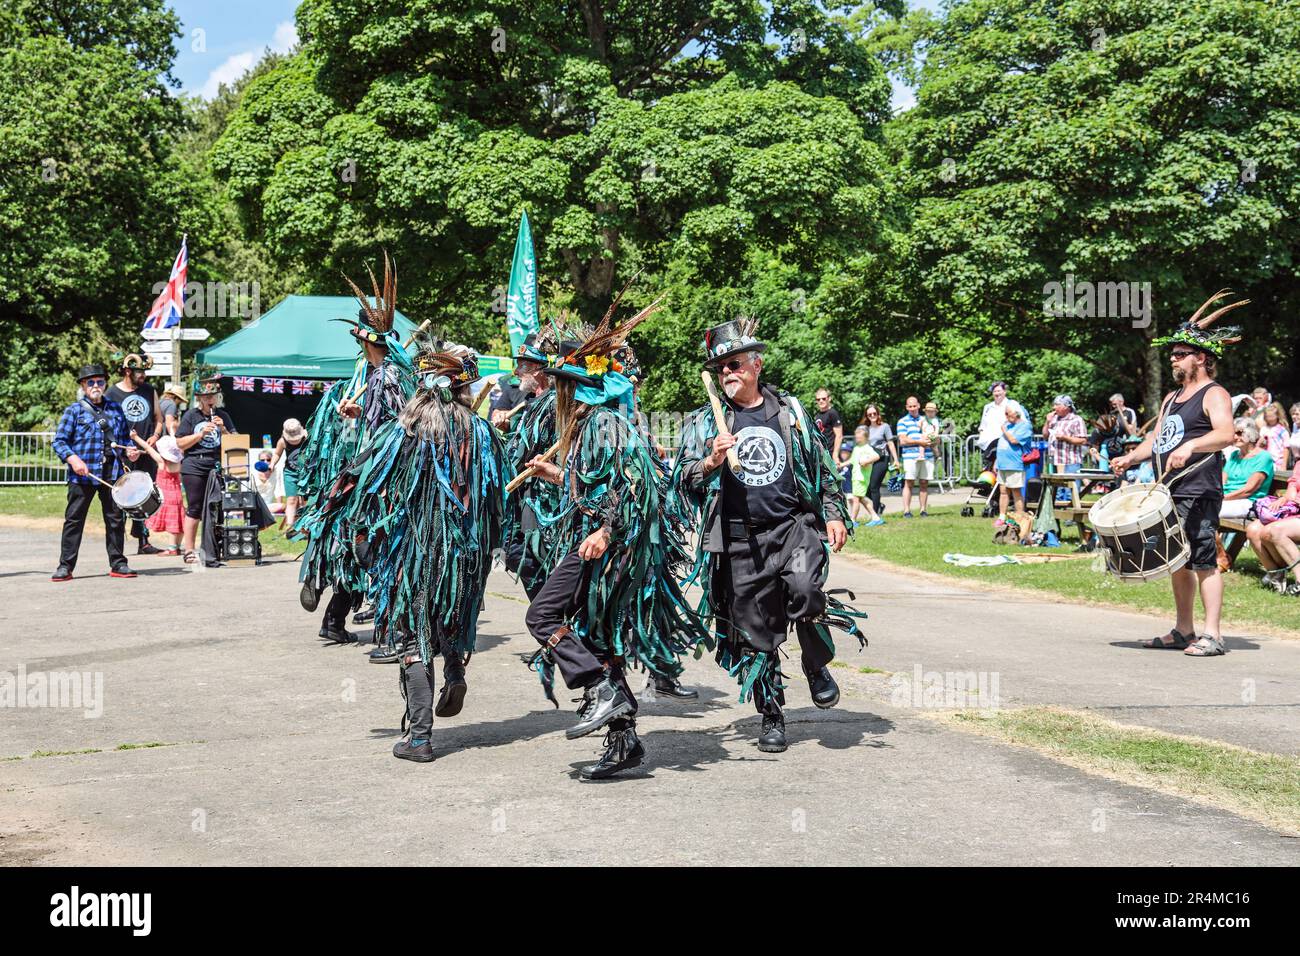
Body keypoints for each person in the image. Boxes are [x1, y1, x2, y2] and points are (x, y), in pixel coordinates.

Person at [521, 296, 711, 779]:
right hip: (603, 542)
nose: (555, 391)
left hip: (608, 546)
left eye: (560, 383)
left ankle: (598, 689)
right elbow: (601, 481)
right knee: (599, 636)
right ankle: (624, 744)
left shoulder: (604, 421)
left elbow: (638, 485)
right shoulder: (592, 424)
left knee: (541, 615)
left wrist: (606, 530)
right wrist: (556, 475)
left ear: (575, 385)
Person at [672, 318, 865, 755]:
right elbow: (682, 479)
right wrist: (709, 463)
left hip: (792, 528)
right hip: (741, 541)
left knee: (806, 591)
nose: (727, 373)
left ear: (756, 365)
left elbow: (822, 471)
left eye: (735, 364)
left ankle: (816, 665)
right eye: (721, 368)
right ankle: (772, 714)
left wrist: (833, 514)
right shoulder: (706, 425)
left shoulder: (789, 413)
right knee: (756, 635)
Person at [342, 343, 510, 762]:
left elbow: (362, 483)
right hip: (467, 553)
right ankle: (454, 668)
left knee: (412, 633)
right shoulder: (483, 433)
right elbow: (496, 500)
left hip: (415, 550)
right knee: (452, 616)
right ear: (466, 388)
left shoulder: (404, 431)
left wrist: (362, 537)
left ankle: (419, 737)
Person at [1111, 291, 1245, 657]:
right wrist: (1131, 458)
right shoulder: (1172, 398)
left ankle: (1213, 634)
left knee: (1203, 559)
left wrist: (1192, 446)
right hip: (1170, 491)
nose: (1173, 359)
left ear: (1200, 358)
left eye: (1180, 354)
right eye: (1172, 354)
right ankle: (1183, 630)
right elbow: (1157, 439)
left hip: (1199, 488)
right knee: (1177, 559)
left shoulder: (1213, 393)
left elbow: (1224, 434)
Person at [295, 254, 416, 648]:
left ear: (368, 341)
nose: (360, 347)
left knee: (365, 539)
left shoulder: (390, 375)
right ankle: (369, 625)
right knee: (360, 538)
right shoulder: (375, 375)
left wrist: (366, 427)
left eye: (361, 340)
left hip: (380, 472)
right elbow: (382, 420)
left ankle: (345, 613)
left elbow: (398, 424)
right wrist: (357, 411)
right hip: (366, 469)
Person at [50, 363, 141, 581]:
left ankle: (118, 563)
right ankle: (65, 566)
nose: (95, 385)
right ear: (83, 385)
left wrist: (130, 450)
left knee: (115, 519)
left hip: (112, 472)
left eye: (100, 381)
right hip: (83, 474)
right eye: (90, 382)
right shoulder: (74, 410)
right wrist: (73, 459)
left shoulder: (116, 409)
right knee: (74, 520)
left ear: (105, 383)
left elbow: (123, 439)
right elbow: (60, 442)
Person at [174, 375, 236, 565]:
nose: (210, 400)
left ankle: (212, 548)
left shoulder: (223, 415)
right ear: (199, 398)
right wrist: (200, 434)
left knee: (217, 507)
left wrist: (223, 429)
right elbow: (179, 443)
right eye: (206, 397)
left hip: (216, 465)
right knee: (195, 507)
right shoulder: (191, 416)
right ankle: (189, 550)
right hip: (194, 465)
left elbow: (236, 441)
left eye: (213, 396)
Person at [106, 354, 164, 555]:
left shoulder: (149, 391)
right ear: (128, 371)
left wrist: (155, 436)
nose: (144, 376)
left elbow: (159, 418)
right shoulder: (112, 393)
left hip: (147, 453)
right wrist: (123, 447)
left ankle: (144, 541)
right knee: (123, 497)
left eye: (145, 372)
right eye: (140, 372)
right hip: (124, 455)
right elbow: (108, 424)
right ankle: (117, 545)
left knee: (145, 495)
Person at [1246, 471, 1300, 595]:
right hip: (1294, 511)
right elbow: (1292, 490)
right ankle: (1276, 574)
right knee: (1254, 530)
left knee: (1273, 531)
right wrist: (1284, 499)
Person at [131, 432, 184, 555]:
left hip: (166, 496)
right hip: (177, 494)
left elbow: (149, 448)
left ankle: (171, 549)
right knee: (179, 521)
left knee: (172, 523)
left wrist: (135, 437)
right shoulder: (178, 462)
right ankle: (177, 547)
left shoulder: (161, 462)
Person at [1218, 419, 1274, 520]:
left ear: (1251, 433)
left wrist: (1222, 498)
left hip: (1249, 501)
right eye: (1234, 433)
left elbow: (1249, 490)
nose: (1235, 437)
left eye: (1239, 433)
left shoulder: (1263, 457)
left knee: (1210, 512)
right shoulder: (1234, 455)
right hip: (1226, 499)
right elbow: (1221, 482)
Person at [1043, 395, 1087, 502]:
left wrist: (1065, 438)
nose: (1054, 408)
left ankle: (1071, 518)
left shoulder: (1076, 420)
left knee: (1070, 490)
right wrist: (1047, 422)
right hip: (1053, 459)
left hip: (1070, 460)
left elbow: (1083, 440)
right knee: (1056, 490)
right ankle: (1056, 516)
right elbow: (1045, 435)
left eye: (1057, 405)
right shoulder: (1053, 419)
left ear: (1066, 406)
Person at [977, 381, 1026, 473]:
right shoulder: (988, 407)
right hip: (988, 445)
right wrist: (982, 438)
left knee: (1001, 471)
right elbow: (982, 426)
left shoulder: (1012, 404)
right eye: (995, 391)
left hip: (1006, 444)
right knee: (990, 472)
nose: (997, 393)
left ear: (1004, 391)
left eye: (999, 391)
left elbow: (1022, 421)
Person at [995, 404, 1033, 524]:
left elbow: (1014, 440)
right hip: (1003, 464)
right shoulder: (1009, 425)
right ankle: (1002, 517)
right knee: (1003, 491)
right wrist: (996, 462)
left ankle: (1020, 517)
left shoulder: (1025, 426)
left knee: (1016, 492)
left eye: (1008, 413)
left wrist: (1005, 430)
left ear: (1016, 413)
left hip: (1015, 464)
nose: (1005, 416)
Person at [860, 404, 899, 518]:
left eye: (874, 413)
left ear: (878, 414)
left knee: (874, 487)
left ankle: (875, 515)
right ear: (867, 416)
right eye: (869, 414)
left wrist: (896, 460)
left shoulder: (884, 426)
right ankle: (880, 506)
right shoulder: (865, 428)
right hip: (869, 460)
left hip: (882, 459)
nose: (872, 416)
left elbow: (890, 443)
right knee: (866, 489)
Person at [896, 396, 933, 516]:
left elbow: (933, 436)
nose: (912, 408)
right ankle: (907, 510)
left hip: (927, 455)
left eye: (914, 406)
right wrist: (920, 442)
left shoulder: (927, 420)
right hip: (909, 456)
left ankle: (923, 510)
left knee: (924, 483)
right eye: (910, 406)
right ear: (907, 407)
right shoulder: (902, 421)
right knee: (909, 483)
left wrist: (934, 440)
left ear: (918, 405)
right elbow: (903, 440)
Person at [269, 418, 308, 530]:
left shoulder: (307, 437)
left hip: (306, 473)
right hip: (290, 472)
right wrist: (272, 464)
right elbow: (277, 454)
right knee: (291, 499)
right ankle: (289, 526)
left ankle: (306, 526)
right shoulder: (282, 441)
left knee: (305, 500)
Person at [847, 425, 882, 525]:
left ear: (865, 437)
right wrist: (841, 464)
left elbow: (876, 456)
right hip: (856, 477)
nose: (857, 438)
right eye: (856, 436)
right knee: (861, 499)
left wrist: (866, 461)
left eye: (859, 436)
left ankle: (852, 520)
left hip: (861, 478)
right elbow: (852, 461)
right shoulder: (856, 448)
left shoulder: (867, 448)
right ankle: (875, 518)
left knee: (856, 499)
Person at [1257, 404, 1289, 473]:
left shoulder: (1282, 430)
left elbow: (1286, 448)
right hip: (1266, 460)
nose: (1270, 419)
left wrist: (1284, 465)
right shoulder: (1263, 429)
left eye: (1271, 416)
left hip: (1278, 461)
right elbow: (1259, 446)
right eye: (1268, 416)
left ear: (1277, 416)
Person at [813, 388, 843, 460]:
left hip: (830, 454)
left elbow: (839, 436)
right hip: (821, 454)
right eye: (818, 399)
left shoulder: (832, 413)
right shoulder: (817, 415)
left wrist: (835, 454)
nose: (821, 401)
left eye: (823, 398)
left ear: (829, 399)